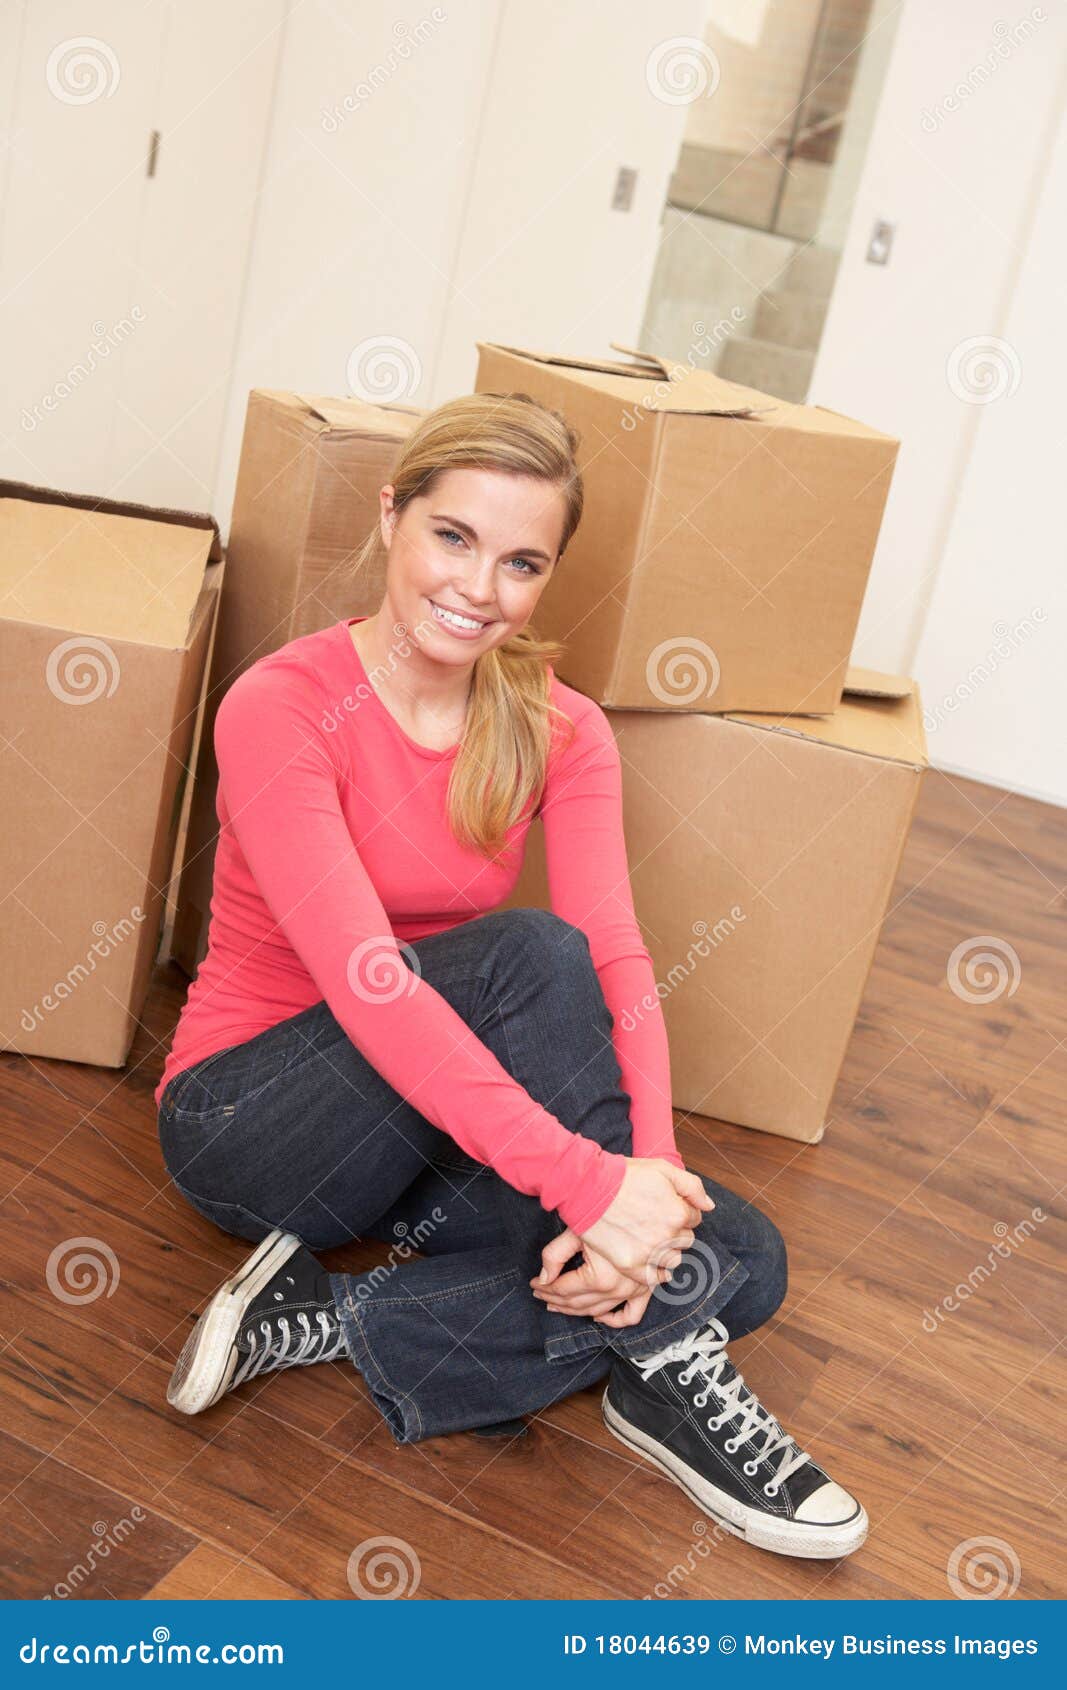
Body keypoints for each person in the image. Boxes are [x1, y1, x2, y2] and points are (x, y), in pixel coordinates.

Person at [155, 391, 866, 1561]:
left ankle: (328, 1316)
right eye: (453, 537)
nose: (479, 588)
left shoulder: (560, 726)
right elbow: (370, 981)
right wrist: (591, 1188)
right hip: (254, 1123)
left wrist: (648, 1175)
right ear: (391, 515)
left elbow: (619, 954)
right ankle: (668, 1361)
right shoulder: (282, 706)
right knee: (529, 954)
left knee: (738, 1253)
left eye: (521, 561)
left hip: (427, 1124)